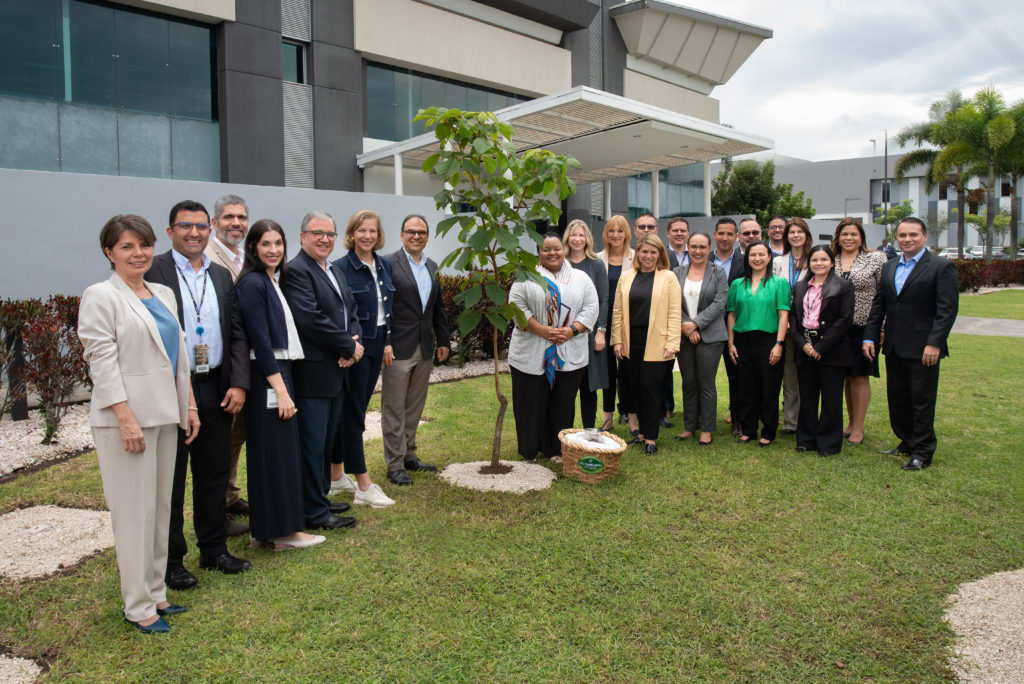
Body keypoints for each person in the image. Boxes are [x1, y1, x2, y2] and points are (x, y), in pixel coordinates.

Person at [78, 214, 199, 633]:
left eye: (144, 245)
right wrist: (125, 418)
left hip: (166, 415)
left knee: (160, 508)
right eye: (127, 246)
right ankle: (137, 606)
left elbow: (177, 357)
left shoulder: (161, 292)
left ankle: (156, 592)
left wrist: (190, 405)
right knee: (133, 515)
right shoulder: (100, 296)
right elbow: (102, 362)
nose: (138, 253)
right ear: (109, 252)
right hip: (126, 422)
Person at [146, 200, 251, 591]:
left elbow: (237, 332)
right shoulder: (152, 271)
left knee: (212, 475)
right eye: (184, 226)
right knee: (171, 481)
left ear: (209, 230)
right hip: (171, 389)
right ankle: (172, 561)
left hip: (217, 388)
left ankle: (214, 549)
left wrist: (239, 382)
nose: (193, 233)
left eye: (200, 226)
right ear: (170, 230)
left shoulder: (222, 275)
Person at [234, 220, 326, 550]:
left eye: (278, 243)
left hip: (278, 371)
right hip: (270, 375)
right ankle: (287, 533)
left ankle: (265, 531)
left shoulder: (272, 280)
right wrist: (282, 390)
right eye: (265, 244)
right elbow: (260, 341)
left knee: (274, 455)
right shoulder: (253, 284)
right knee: (278, 456)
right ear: (253, 248)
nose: (273, 250)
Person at [281, 210, 361, 530]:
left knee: (326, 444)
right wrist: (347, 346)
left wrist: (352, 344)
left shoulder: (334, 270)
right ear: (302, 237)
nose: (325, 239)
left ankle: (320, 498)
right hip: (313, 375)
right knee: (312, 446)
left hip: (338, 372)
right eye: (318, 233)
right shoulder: (296, 271)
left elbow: (350, 310)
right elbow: (309, 319)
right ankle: (313, 513)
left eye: (330, 234)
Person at [863, 217, 958, 470]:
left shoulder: (940, 267)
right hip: (894, 344)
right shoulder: (890, 266)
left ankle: (922, 451)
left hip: (923, 347)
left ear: (924, 237)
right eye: (902, 235)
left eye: (913, 235)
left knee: (921, 399)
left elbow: (946, 310)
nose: (907, 239)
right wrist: (870, 336)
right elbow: (879, 305)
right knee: (898, 398)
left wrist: (935, 343)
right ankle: (906, 440)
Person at [508, 233, 599, 461]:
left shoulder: (581, 278)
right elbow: (516, 306)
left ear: (564, 250)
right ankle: (530, 450)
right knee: (530, 404)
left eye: (556, 248)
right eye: (546, 249)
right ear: (539, 253)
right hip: (531, 351)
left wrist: (572, 330)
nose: (552, 253)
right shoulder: (525, 277)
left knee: (562, 404)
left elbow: (591, 308)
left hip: (569, 351)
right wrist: (542, 330)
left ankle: (557, 449)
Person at [332, 210, 396, 507]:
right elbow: (338, 313)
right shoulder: (340, 268)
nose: (367, 236)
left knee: (350, 411)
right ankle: (363, 485)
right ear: (352, 233)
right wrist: (348, 347)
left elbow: (388, 311)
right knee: (354, 414)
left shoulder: (384, 265)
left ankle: (334, 477)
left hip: (378, 342)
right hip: (357, 348)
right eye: (361, 231)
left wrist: (388, 342)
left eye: (372, 231)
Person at [380, 215, 450, 485]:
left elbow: (437, 308)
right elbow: (381, 306)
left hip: (423, 346)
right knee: (394, 407)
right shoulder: (387, 263)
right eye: (411, 231)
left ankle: (409, 455)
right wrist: (384, 341)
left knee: (414, 406)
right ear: (401, 235)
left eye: (421, 232)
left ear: (427, 236)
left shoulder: (432, 265)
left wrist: (443, 340)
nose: (416, 236)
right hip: (396, 348)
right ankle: (395, 464)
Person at [205, 194, 251, 536]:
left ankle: (230, 496)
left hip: (246, 359)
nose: (236, 223)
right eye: (229, 217)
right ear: (214, 222)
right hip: (223, 365)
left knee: (237, 436)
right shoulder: (207, 258)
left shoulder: (243, 256)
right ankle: (215, 508)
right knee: (220, 440)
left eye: (241, 217)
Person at [611, 233, 681, 454]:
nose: (648, 256)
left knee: (651, 389)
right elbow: (617, 312)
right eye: (644, 251)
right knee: (634, 388)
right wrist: (617, 340)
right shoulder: (627, 276)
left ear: (659, 254)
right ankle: (640, 434)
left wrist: (672, 343)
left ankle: (651, 438)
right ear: (637, 253)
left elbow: (674, 312)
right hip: (631, 342)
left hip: (658, 343)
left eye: (653, 252)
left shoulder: (668, 277)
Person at [789, 245, 854, 456]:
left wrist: (821, 347)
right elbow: (793, 318)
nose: (819, 263)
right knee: (807, 397)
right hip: (805, 348)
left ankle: (828, 443)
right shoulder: (800, 287)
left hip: (831, 350)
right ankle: (806, 439)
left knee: (831, 399)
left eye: (823, 260)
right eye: (815, 260)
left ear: (832, 263)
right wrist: (802, 343)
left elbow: (845, 319)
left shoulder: (843, 286)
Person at [727, 240, 790, 446]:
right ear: (747, 258)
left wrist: (779, 343)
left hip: (769, 340)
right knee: (746, 388)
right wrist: (731, 342)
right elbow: (731, 315)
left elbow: (783, 315)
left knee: (768, 388)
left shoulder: (779, 284)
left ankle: (769, 430)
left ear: (769, 257)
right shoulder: (737, 284)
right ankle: (748, 429)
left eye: (762, 254)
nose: (757, 258)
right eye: (753, 255)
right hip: (743, 341)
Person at [832, 218, 886, 446]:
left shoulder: (875, 259)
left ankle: (859, 428)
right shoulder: (831, 259)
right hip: (837, 329)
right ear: (838, 237)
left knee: (860, 375)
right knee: (846, 376)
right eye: (844, 234)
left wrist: (881, 327)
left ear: (861, 237)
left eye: (853, 234)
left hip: (865, 326)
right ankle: (850, 423)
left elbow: (885, 295)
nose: (849, 238)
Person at [672, 232, 728, 446]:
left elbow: (719, 302)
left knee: (705, 383)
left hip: (711, 336)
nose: (697, 251)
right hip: (684, 335)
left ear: (709, 248)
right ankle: (689, 426)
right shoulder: (677, 272)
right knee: (688, 382)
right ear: (688, 248)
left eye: (702, 247)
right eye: (693, 246)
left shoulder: (719, 272)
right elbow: (673, 301)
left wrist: (696, 324)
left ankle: (706, 428)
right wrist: (687, 327)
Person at [563, 220, 608, 430]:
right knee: (567, 387)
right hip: (565, 333)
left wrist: (601, 331)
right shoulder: (560, 262)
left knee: (589, 388)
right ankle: (568, 433)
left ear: (587, 238)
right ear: (567, 238)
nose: (577, 239)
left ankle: (589, 432)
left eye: (581, 235)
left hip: (590, 334)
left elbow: (603, 299)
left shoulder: (596, 264)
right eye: (573, 235)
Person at [772, 217, 813, 435]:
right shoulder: (778, 262)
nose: (795, 235)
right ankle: (790, 421)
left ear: (806, 235)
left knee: (807, 376)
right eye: (792, 232)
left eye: (800, 232)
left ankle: (808, 419)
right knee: (789, 375)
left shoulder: (815, 259)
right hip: (784, 325)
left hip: (808, 325)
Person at [596, 215, 633, 430]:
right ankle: (607, 418)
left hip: (629, 321)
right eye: (612, 230)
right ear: (606, 234)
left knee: (628, 371)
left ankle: (628, 412)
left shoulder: (636, 257)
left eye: (620, 230)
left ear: (627, 234)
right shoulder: (597, 258)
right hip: (604, 321)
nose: (616, 235)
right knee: (608, 372)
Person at [713, 218, 746, 436]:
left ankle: (738, 418)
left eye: (729, 234)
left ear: (736, 236)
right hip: (709, 327)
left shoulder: (746, 261)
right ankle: (699, 418)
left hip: (737, 327)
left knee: (738, 376)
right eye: (721, 233)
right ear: (715, 234)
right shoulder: (702, 258)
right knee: (704, 376)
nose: (725, 238)